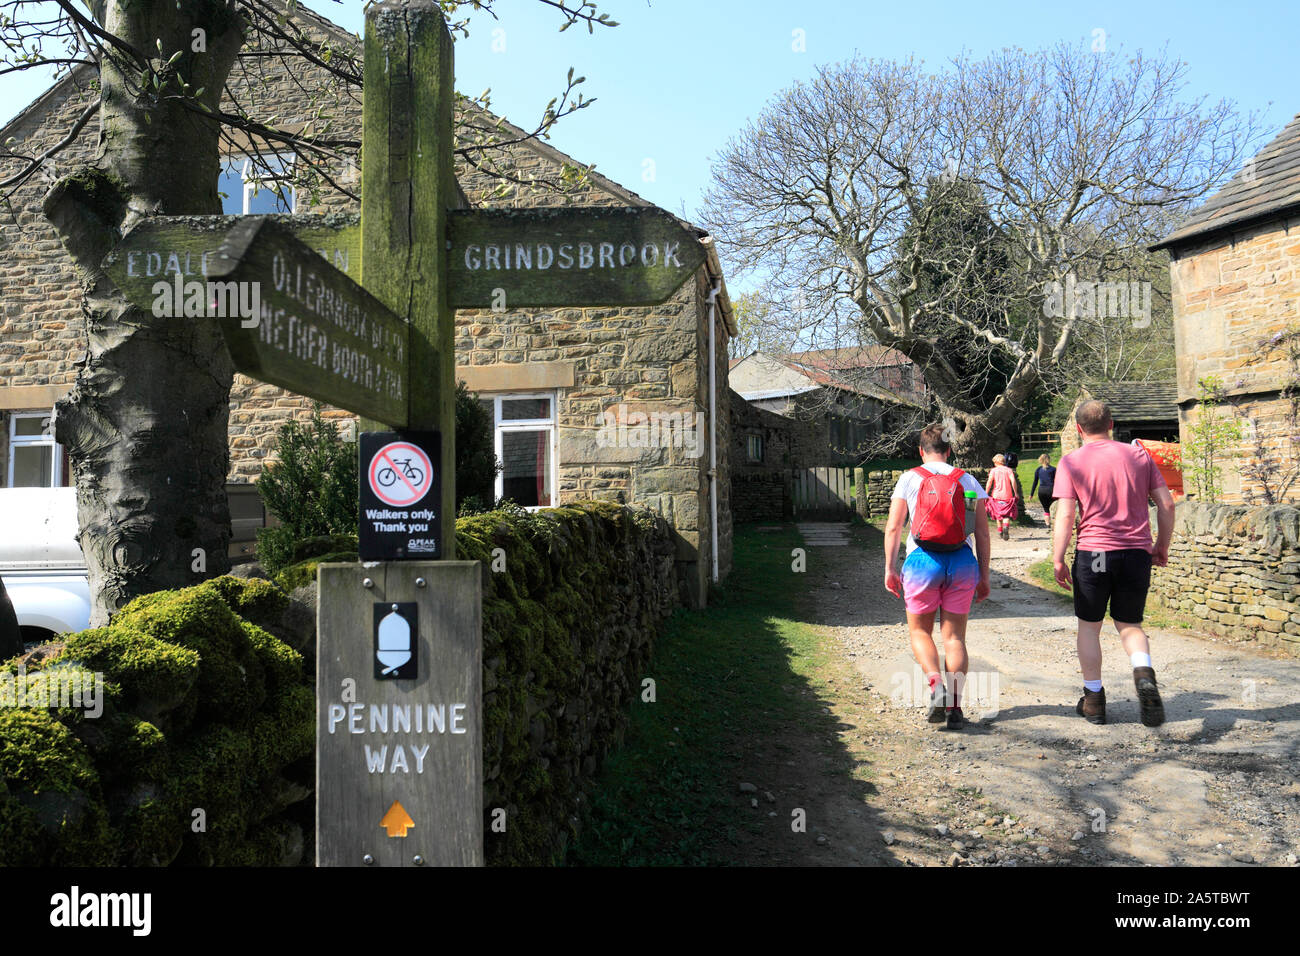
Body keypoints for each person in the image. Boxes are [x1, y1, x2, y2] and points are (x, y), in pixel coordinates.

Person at [1052, 400, 1176, 728]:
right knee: (1130, 625)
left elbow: (1065, 514)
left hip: (1094, 555)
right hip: (1135, 553)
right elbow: (1166, 503)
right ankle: (1144, 675)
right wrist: (1160, 545)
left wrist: (1058, 557)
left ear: (1079, 429)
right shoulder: (1138, 455)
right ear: (1111, 423)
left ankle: (1093, 700)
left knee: (1089, 627)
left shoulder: (1071, 461)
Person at [884, 424, 992, 730]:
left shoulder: (909, 478)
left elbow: (893, 528)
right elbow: (980, 531)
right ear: (949, 450)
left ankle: (936, 688)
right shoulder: (967, 481)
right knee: (955, 637)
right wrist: (983, 575)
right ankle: (955, 709)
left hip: (921, 562)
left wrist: (890, 569)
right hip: (961, 561)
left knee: (920, 632)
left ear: (921, 450)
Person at [984, 454, 1019, 540]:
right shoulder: (1009, 470)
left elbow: (989, 482)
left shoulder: (993, 471)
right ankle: (1006, 527)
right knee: (1006, 515)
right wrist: (1016, 492)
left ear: (996, 462)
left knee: (998, 515)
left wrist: (986, 493)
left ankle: (1000, 532)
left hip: (996, 495)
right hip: (1007, 496)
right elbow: (1013, 481)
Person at [1031, 454, 1058, 530]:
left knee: (1046, 509)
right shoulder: (1053, 469)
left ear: (1040, 460)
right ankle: (1055, 524)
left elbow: (1035, 482)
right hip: (1051, 490)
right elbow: (1058, 481)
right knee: (1054, 507)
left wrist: (1031, 494)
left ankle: (1048, 525)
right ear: (1049, 459)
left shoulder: (1038, 470)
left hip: (1042, 490)